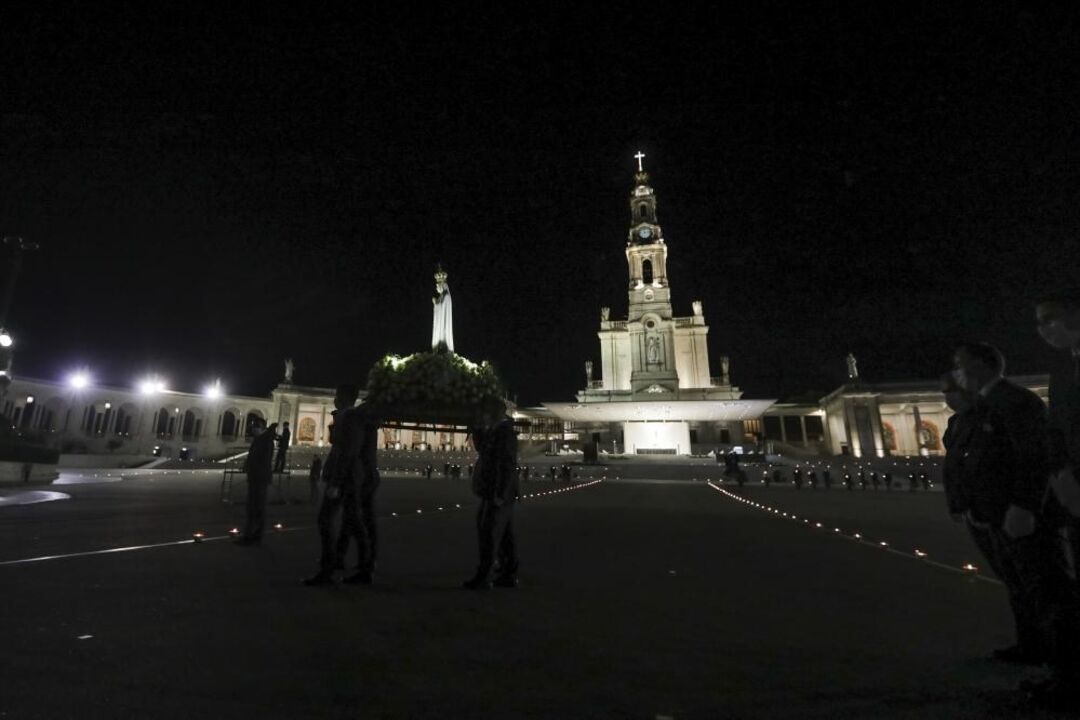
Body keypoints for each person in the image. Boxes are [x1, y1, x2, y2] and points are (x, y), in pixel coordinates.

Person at [305, 384, 380, 586]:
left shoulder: (351, 417)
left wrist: (336, 482)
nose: (335, 399)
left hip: (345, 478)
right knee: (353, 522)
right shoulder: (349, 416)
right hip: (350, 478)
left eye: (338, 395)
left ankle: (330, 569)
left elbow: (348, 451)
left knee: (328, 520)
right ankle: (363, 567)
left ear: (345, 397)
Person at [464, 403, 519, 590]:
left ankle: (484, 576)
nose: (484, 416)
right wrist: (478, 430)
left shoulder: (504, 432)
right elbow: (483, 450)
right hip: (495, 491)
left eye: (486, 412)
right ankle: (508, 573)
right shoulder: (497, 430)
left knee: (488, 531)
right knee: (504, 534)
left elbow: (507, 465)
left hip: (497, 492)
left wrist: (500, 494)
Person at [237, 420, 276, 545]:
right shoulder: (259, 439)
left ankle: (255, 536)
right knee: (251, 507)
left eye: (255, 427)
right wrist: (247, 465)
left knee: (258, 506)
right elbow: (253, 456)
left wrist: (253, 468)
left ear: (261, 428)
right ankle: (249, 534)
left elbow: (265, 461)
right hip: (255, 477)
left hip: (260, 478)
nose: (253, 430)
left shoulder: (266, 441)